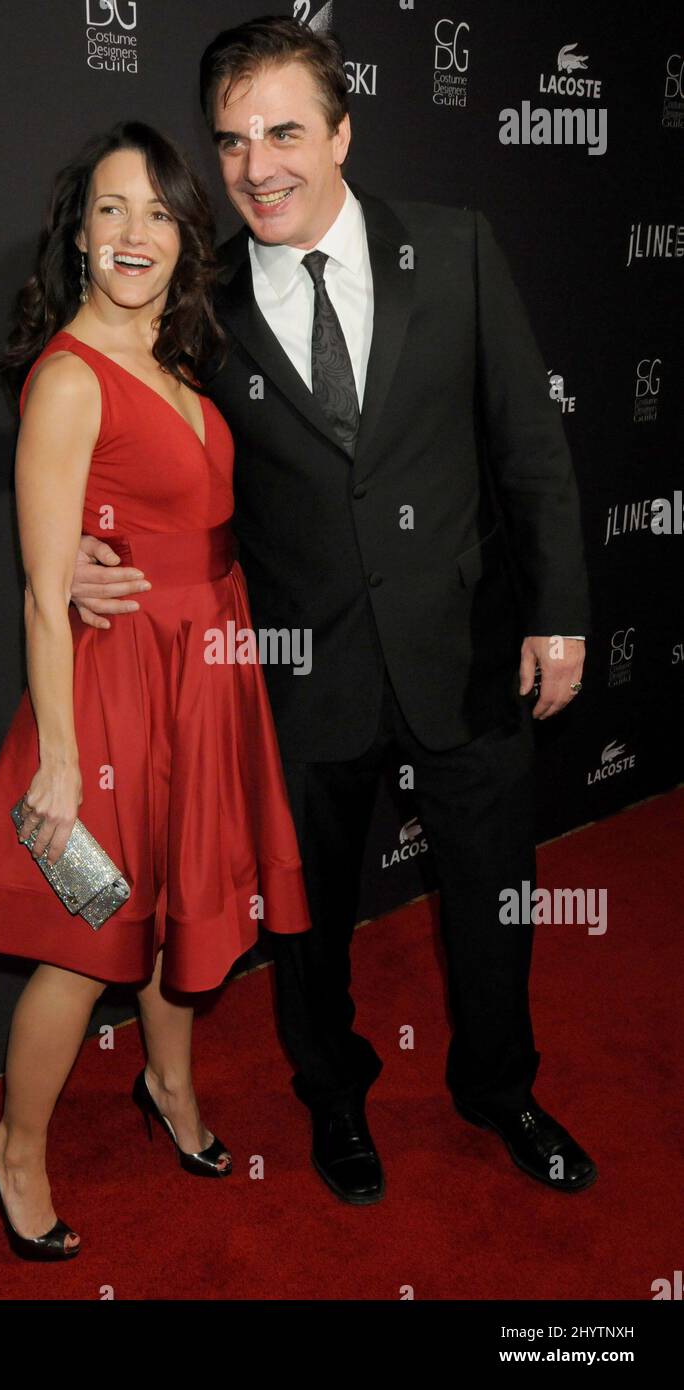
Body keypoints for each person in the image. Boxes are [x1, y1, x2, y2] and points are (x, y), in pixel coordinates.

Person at [69, 17, 598, 1205]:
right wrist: (70, 557)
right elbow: (113, 431)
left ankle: (500, 1086)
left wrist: (559, 612)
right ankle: (335, 1096)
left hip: (463, 650)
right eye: (235, 140)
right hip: (298, 669)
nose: (258, 166)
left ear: (344, 133)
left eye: (287, 132)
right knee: (309, 928)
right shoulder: (193, 304)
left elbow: (530, 445)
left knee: (492, 900)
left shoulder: (455, 250)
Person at [0, 119, 312, 1260]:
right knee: (84, 937)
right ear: (78, 234)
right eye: (111, 209)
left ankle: (167, 1089)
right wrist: (60, 760)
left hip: (204, 671)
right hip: (114, 697)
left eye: (158, 211)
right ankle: (14, 1150)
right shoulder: (69, 378)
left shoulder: (176, 358)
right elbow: (40, 589)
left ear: (182, 237)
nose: (135, 232)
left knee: (180, 911)